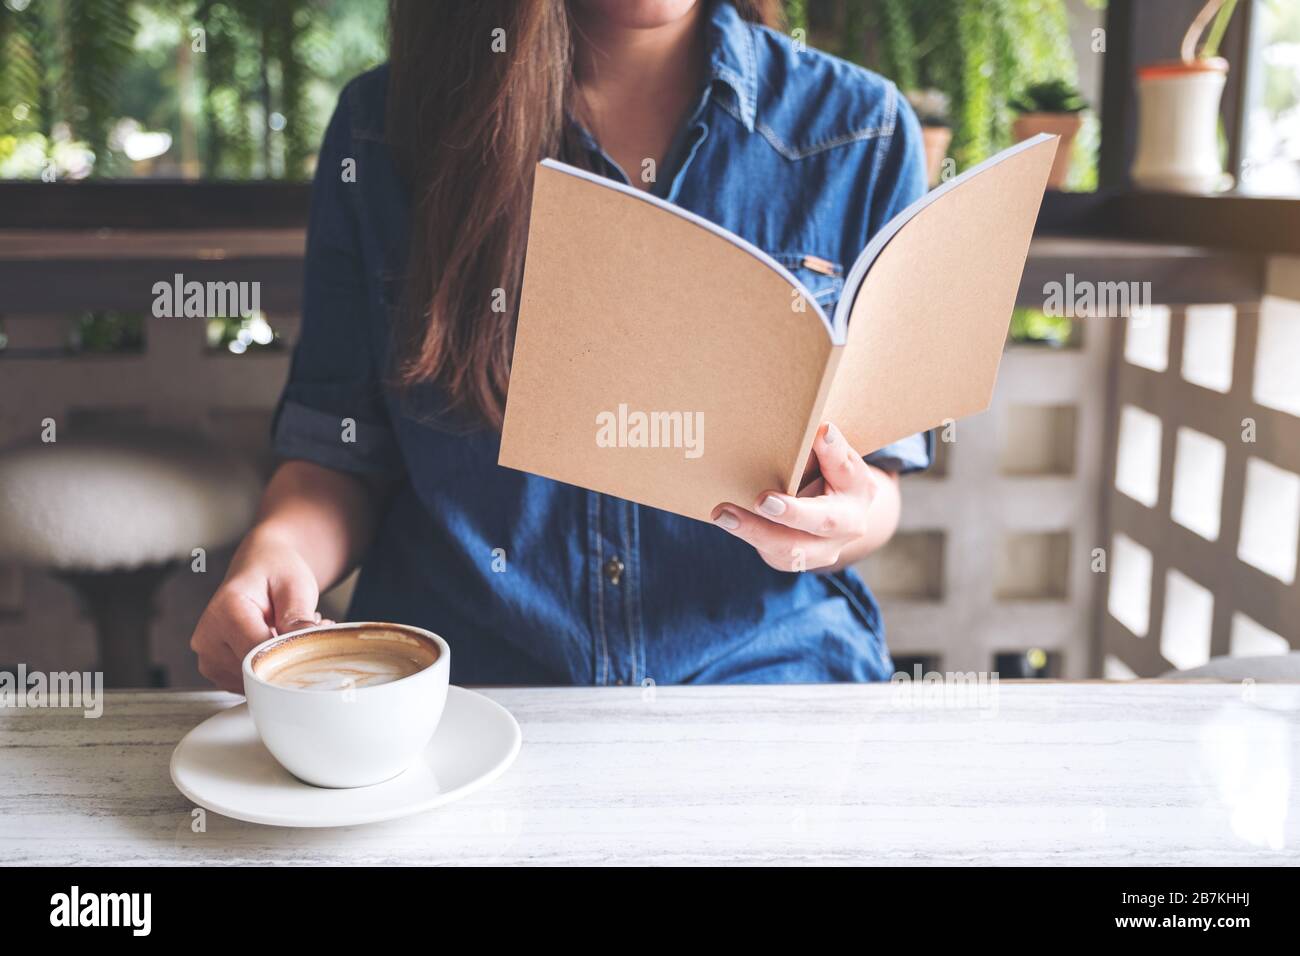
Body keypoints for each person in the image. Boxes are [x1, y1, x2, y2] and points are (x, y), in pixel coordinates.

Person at [190, 0, 933, 692]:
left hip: (766, 672)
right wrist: (278, 554)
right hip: (467, 683)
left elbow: (876, 483)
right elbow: (338, 454)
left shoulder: (861, 130)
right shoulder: (383, 130)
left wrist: (845, 520)